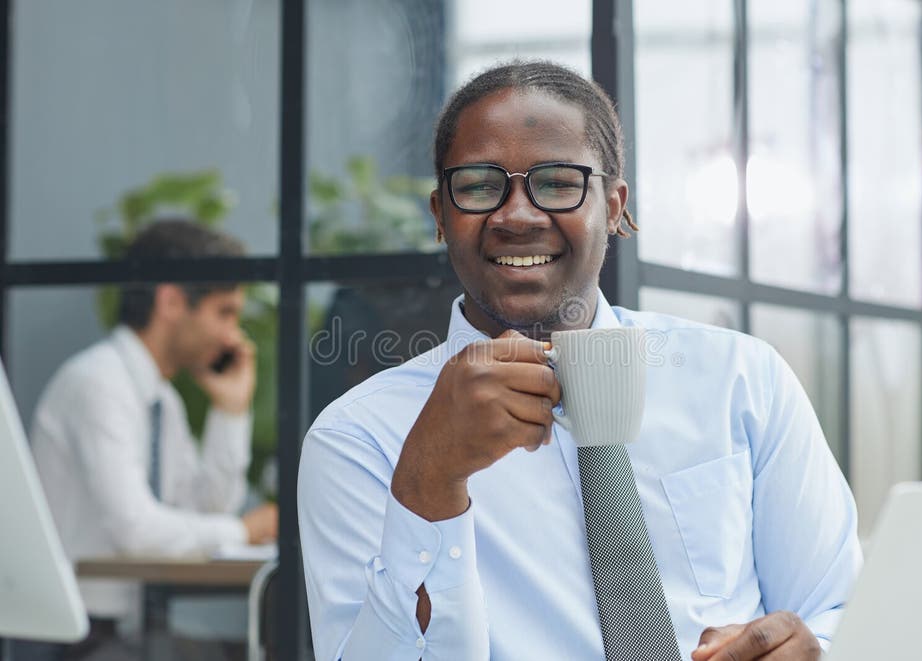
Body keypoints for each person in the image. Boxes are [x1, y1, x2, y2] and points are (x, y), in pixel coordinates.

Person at [298, 61, 861, 660]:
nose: (516, 215)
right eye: (480, 186)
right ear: (442, 215)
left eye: (560, 182)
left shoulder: (742, 380)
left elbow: (840, 607)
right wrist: (427, 482)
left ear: (615, 207)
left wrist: (813, 649)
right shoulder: (358, 440)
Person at [29, 219, 278, 658]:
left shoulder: (161, 399)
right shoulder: (99, 383)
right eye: (224, 313)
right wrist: (243, 529)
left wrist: (231, 412)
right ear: (171, 302)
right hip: (73, 639)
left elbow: (203, 511)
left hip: (124, 632)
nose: (232, 337)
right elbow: (137, 531)